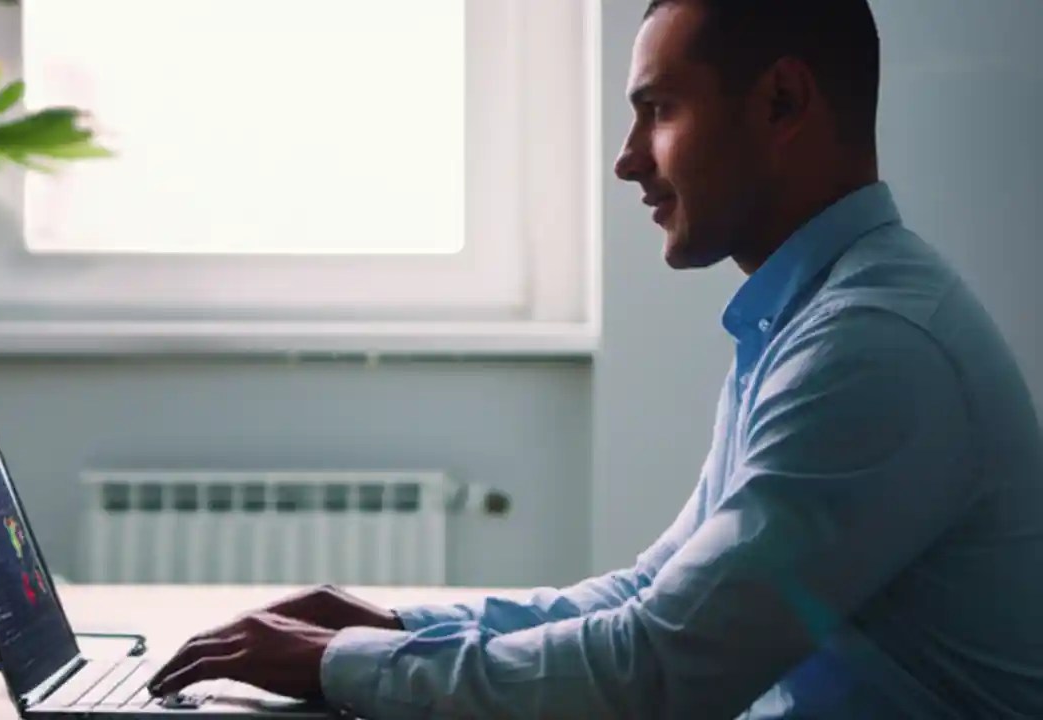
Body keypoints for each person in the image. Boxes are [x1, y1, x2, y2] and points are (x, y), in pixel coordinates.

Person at [147, 0, 1043, 716]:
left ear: (782, 102)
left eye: (658, 110)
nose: (625, 161)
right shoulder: (814, 318)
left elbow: (653, 671)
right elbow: (654, 594)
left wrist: (346, 665)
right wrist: (395, 624)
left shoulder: (872, 348)